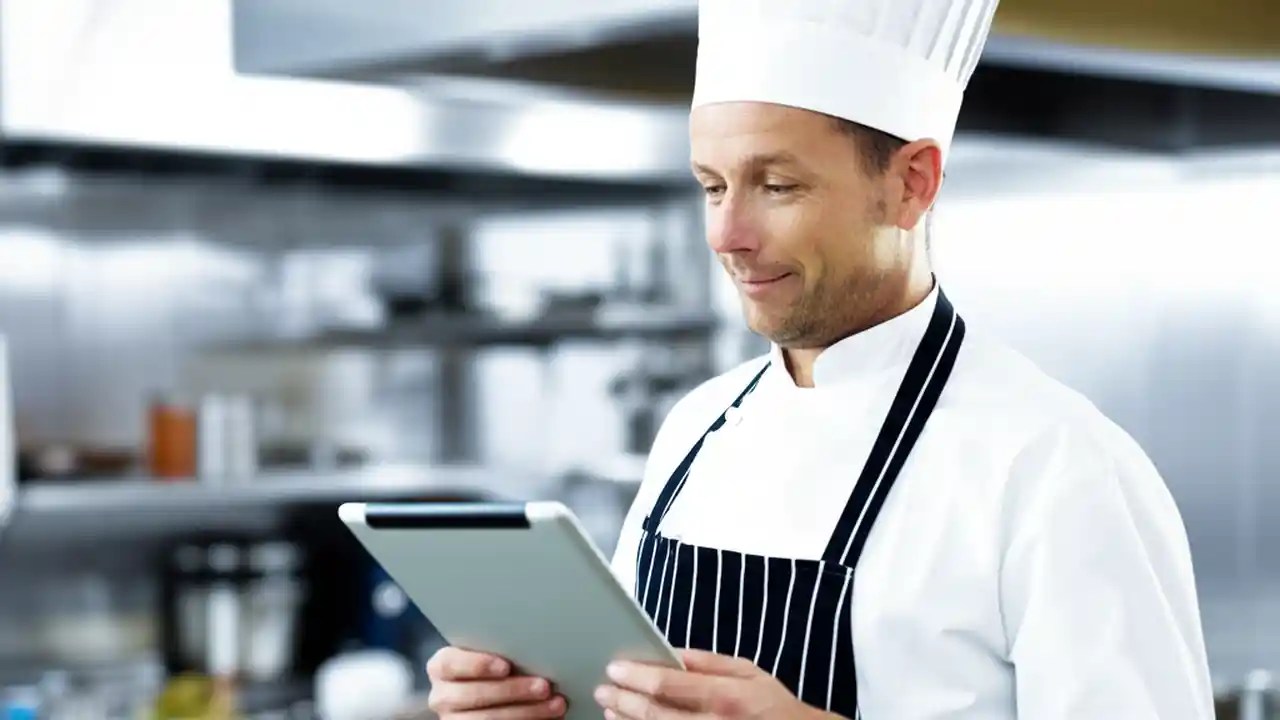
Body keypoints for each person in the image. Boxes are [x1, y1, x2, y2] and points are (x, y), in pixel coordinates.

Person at [419, 0, 1215, 718]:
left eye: (777, 185)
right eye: (711, 186)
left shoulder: (1059, 470)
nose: (726, 236)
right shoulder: (697, 428)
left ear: (912, 184)